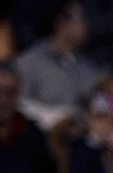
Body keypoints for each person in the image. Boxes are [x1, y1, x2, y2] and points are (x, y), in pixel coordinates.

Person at [13, 0, 102, 130]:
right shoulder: (28, 62)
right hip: (44, 137)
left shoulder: (87, 67)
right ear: (60, 22)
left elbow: (99, 102)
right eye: (80, 18)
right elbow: (18, 106)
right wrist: (59, 117)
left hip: (83, 138)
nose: (86, 25)